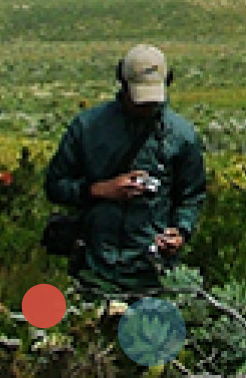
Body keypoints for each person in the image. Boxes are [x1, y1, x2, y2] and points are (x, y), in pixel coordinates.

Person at [45, 44, 207, 305]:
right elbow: (55, 185)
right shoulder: (88, 128)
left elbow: (191, 196)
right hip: (95, 268)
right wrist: (100, 190)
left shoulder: (183, 137)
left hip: (153, 274)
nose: (146, 108)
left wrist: (180, 232)